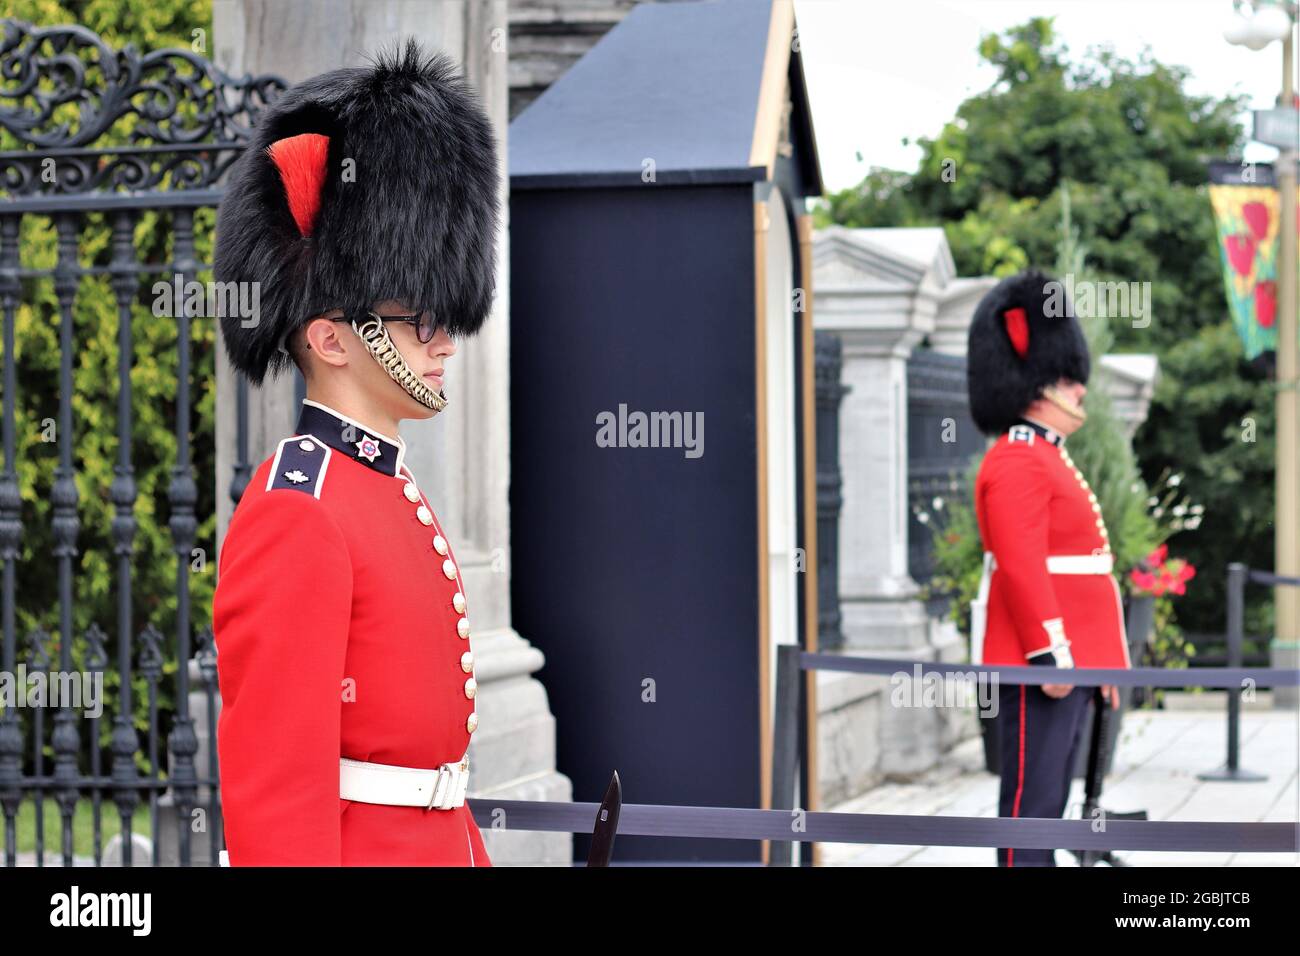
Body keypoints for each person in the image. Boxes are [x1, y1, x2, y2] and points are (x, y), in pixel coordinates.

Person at [210, 38, 501, 866]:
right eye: (420, 319)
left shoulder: (383, 486)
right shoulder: (298, 511)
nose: (446, 341)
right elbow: (278, 801)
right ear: (332, 339)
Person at [966, 269, 1128, 867]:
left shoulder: (1044, 458)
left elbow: (1082, 571)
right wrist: (1050, 656)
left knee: (1050, 803)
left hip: (1070, 661)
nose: (1079, 390)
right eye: (1066, 378)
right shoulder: (1017, 461)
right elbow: (1023, 569)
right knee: (1030, 811)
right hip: (1043, 663)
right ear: (1035, 382)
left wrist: (1102, 660)